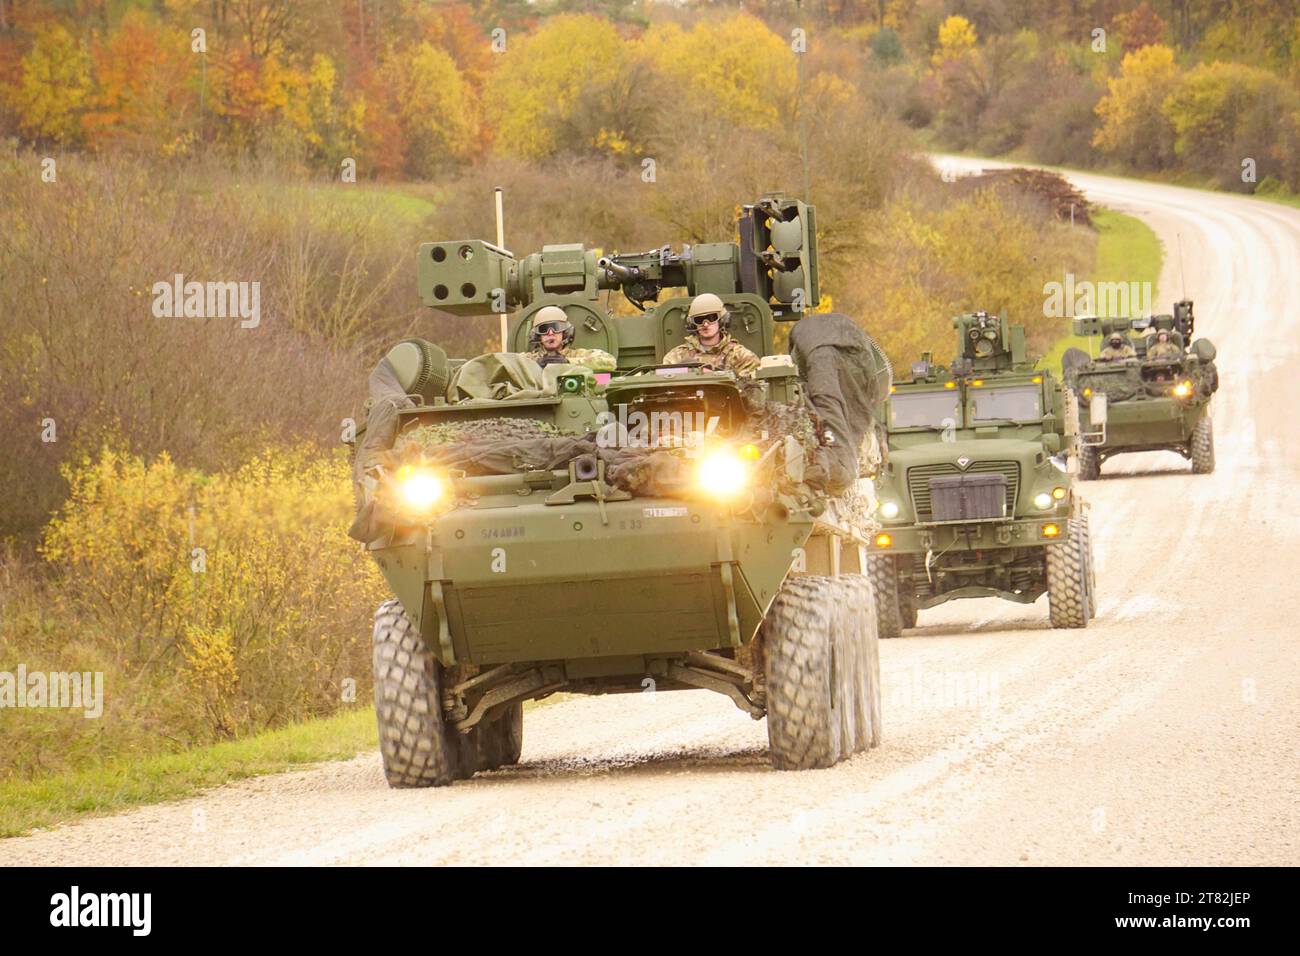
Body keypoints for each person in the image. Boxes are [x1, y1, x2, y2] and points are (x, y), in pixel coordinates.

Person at [662, 293, 761, 377]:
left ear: (722, 320)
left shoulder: (741, 356)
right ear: (692, 324)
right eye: (699, 320)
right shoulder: (677, 357)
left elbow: (754, 389)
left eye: (711, 318)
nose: (705, 324)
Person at [524, 306, 615, 371]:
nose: (550, 333)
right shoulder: (529, 359)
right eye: (544, 329)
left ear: (565, 333)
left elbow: (611, 362)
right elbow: (510, 364)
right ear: (537, 336)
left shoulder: (578, 355)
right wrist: (534, 365)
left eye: (556, 328)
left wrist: (567, 362)